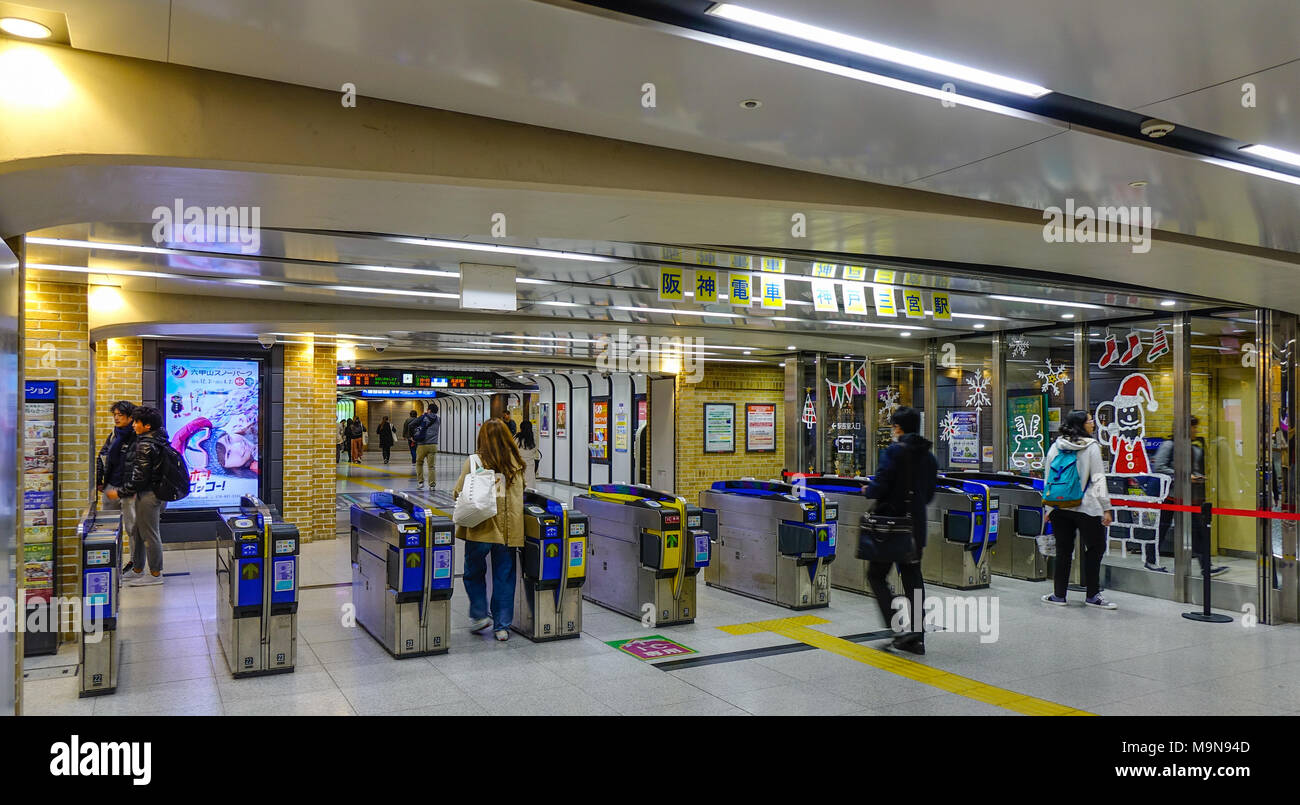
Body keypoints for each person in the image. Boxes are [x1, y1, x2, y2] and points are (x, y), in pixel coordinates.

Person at [863, 406, 938, 655]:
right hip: (915, 528)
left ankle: (898, 628)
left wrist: (868, 490)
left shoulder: (894, 452)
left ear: (898, 427)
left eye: (893, 425)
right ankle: (917, 637)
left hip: (890, 527)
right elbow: (927, 495)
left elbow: (879, 486)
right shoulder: (930, 457)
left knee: (876, 575)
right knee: (913, 580)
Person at [452, 419, 524, 641]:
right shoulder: (515, 462)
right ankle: (501, 627)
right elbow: (513, 495)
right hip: (508, 530)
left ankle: (480, 614)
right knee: (504, 576)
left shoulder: (475, 461)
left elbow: (458, 492)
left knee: (473, 572)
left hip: (480, 527)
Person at [1042, 410, 1117, 609]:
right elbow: (1098, 479)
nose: (1093, 423)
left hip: (1060, 506)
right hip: (1088, 507)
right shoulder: (1091, 447)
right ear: (1081, 425)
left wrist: (1049, 508)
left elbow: (1048, 477)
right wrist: (1106, 508)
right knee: (1095, 549)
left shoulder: (1056, 446)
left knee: (1063, 551)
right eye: (1090, 421)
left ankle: (1059, 595)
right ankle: (1093, 595)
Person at [1149, 415, 1227, 576]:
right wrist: (1184, 475)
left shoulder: (1195, 448)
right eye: (1193, 427)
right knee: (1162, 528)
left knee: (1198, 530)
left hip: (1190, 497)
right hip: (1171, 496)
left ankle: (1206, 566)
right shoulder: (1169, 445)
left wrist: (1196, 476)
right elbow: (1159, 467)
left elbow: (1193, 469)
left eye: (1195, 427)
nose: (1195, 430)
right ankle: (1151, 560)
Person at [106, 406, 169, 586]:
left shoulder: (146, 445)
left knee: (149, 534)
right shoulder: (158, 440)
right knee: (140, 533)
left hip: (149, 494)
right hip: (149, 493)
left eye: (136, 422)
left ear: (147, 426)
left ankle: (155, 574)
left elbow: (140, 478)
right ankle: (138, 569)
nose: (134, 425)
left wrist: (119, 492)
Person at [97, 401, 137, 570]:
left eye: (120, 415)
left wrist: (133, 488)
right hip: (111, 486)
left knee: (132, 528)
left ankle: (135, 563)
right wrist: (99, 480)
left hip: (129, 491)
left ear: (131, 417)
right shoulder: (114, 434)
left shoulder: (138, 436)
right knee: (109, 526)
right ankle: (111, 560)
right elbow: (102, 455)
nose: (116, 418)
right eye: (115, 415)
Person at [413, 403, 441, 490]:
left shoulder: (423, 417)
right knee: (431, 466)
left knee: (419, 463)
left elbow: (413, 424)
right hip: (433, 445)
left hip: (422, 444)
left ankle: (420, 483)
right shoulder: (438, 419)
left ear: (429, 410)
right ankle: (432, 485)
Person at [516, 419, 541, 488]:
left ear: (521, 428)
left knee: (520, 487)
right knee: (530, 487)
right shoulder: (533, 439)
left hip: (519, 466)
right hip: (530, 466)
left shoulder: (517, 438)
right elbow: (535, 450)